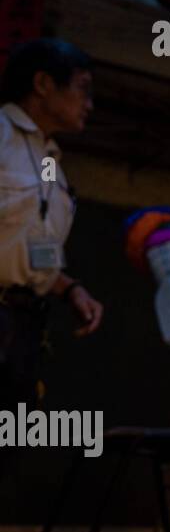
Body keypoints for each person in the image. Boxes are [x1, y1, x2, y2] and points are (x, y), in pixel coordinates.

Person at [0, 38, 103, 423]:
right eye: (82, 89)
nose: (89, 104)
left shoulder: (51, 164)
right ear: (43, 84)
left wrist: (69, 288)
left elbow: (24, 244)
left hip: (22, 328)